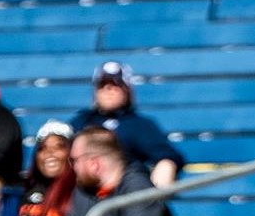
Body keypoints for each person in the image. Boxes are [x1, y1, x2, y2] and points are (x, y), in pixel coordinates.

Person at [69, 61, 185, 190]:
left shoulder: (139, 125)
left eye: (116, 85)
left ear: (127, 90)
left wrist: (166, 165)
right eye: (102, 85)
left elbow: (167, 156)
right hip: (82, 189)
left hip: (125, 190)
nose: (109, 90)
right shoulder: (82, 122)